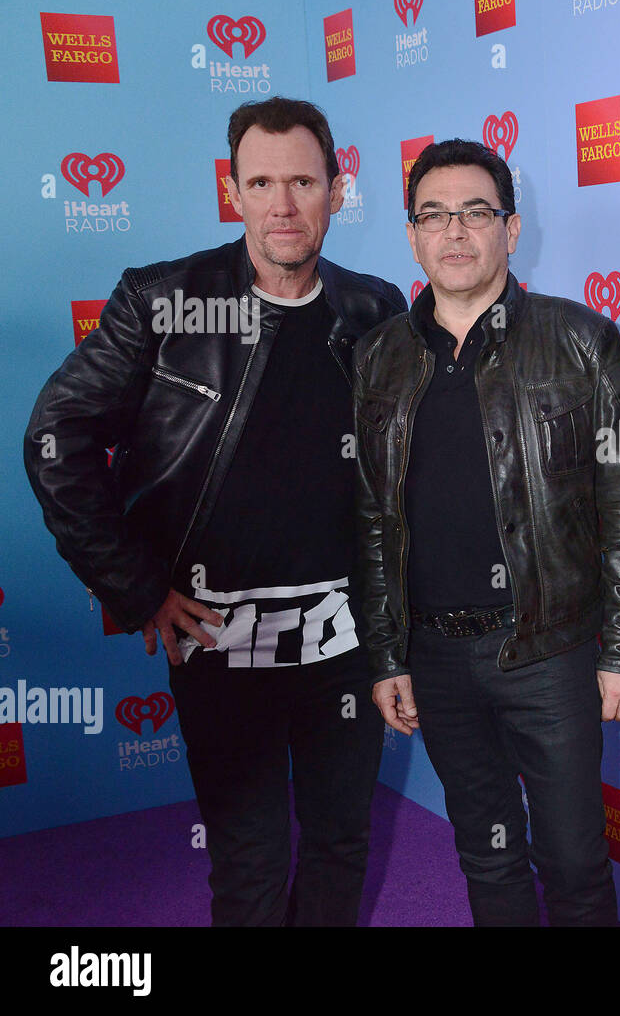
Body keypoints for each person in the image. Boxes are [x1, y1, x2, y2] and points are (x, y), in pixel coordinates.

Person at [24, 97, 407, 925]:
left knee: (342, 845)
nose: (283, 205)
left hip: (344, 643)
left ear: (337, 190)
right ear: (232, 192)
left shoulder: (374, 310)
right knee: (251, 866)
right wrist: (135, 585)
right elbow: (56, 436)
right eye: (261, 182)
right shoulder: (163, 303)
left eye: (303, 181)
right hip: (220, 646)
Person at [355, 138, 620, 926]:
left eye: (476, 212)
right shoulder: (377, 357)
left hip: (548, 654)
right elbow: (373, 521)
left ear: (511, 230)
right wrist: (388, 652)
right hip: (436, 656)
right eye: (434, 215)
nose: (455, 231)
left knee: (574, 864)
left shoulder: (581, 341)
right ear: (412, 235)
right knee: (486, 858)